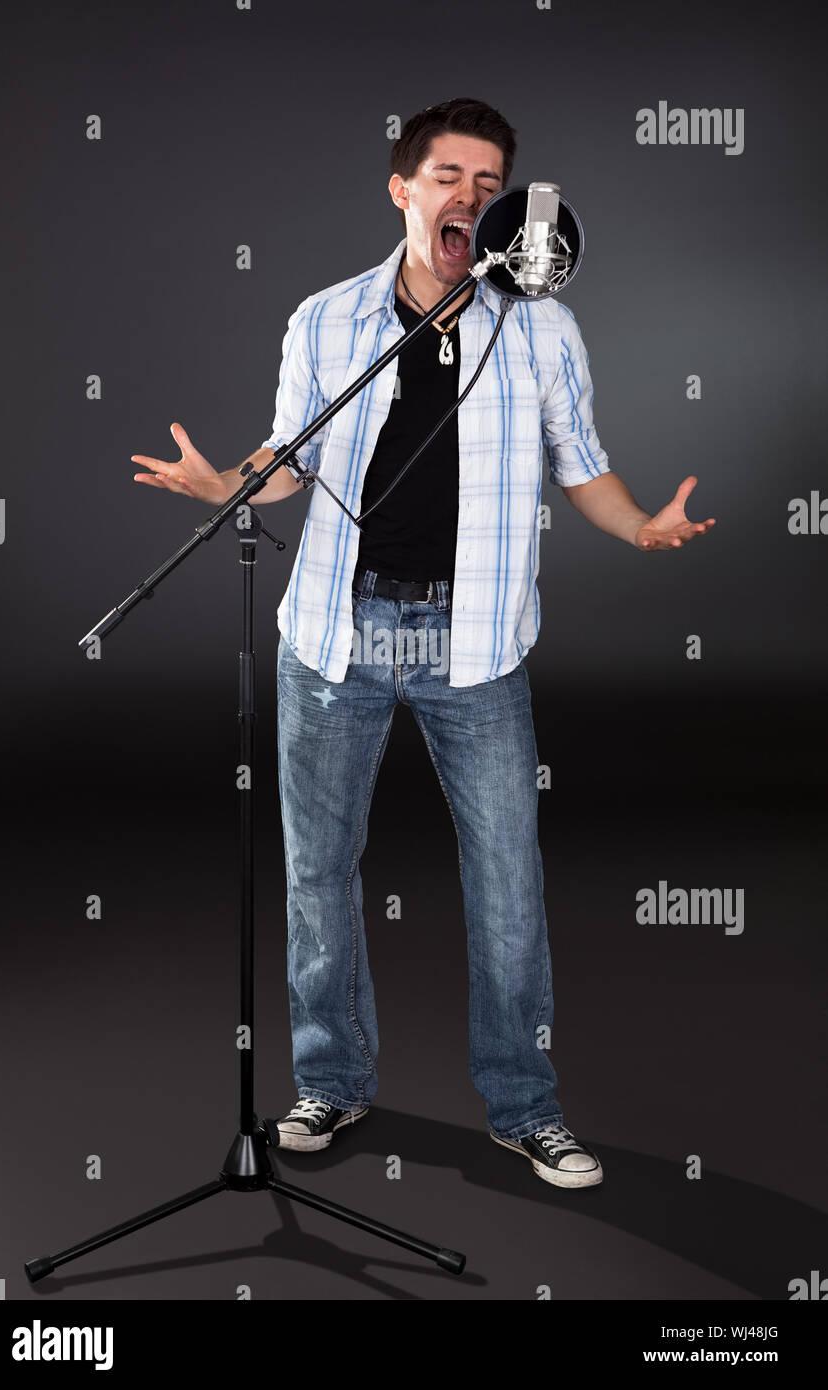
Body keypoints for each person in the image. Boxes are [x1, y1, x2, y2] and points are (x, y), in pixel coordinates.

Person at [132, 97, 715, 1190]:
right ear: (402, 190)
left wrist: (637, 522)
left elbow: (578, 460)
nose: (469, 197)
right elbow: (291, 455)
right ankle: (331, 1082)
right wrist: (226, 484)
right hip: (335, 638)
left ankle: (523, 1107)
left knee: (505, 882)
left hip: (475, 643)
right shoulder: (325, 322)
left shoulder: (539, 325)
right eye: (448, 175)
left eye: (488, 184)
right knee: (319, 874)